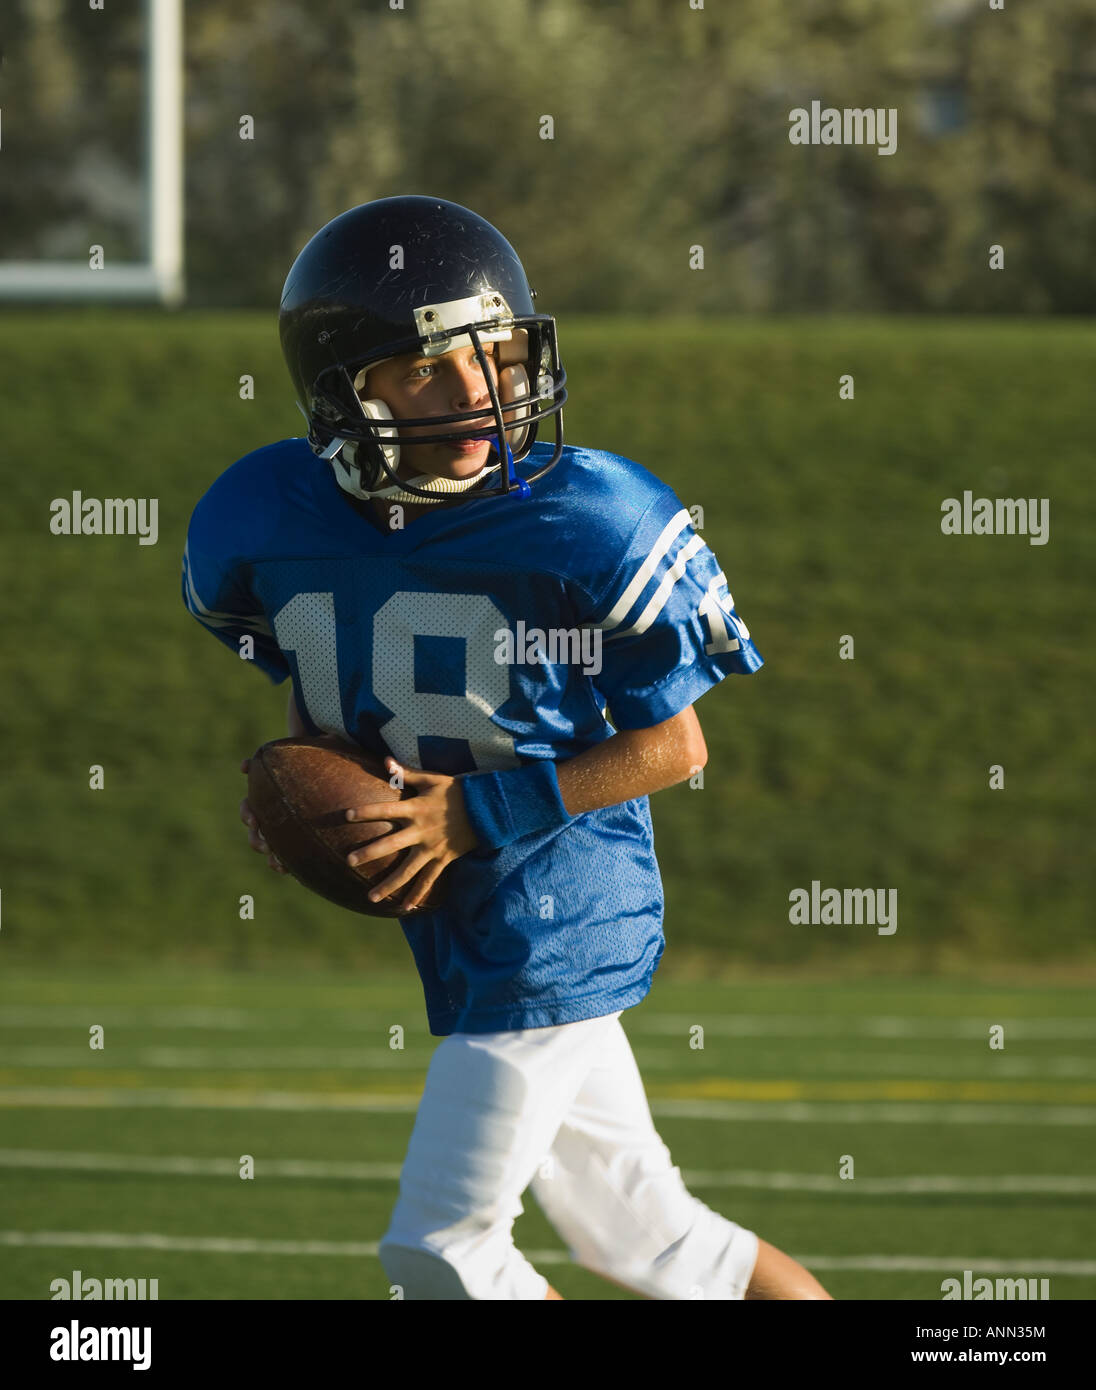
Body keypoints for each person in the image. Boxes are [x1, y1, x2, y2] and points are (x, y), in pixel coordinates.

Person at [182, 195, 832, 1301]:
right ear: (344, 389)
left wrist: (468, 814)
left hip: (557, 910)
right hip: (462, 920)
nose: (478, 393)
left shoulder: (589, 518)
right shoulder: (263, 517)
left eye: (494, 355)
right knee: (656, 1243)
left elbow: (673, 744)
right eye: (429, 367)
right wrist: (298, 784)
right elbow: (322, 697)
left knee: (442, 1250)